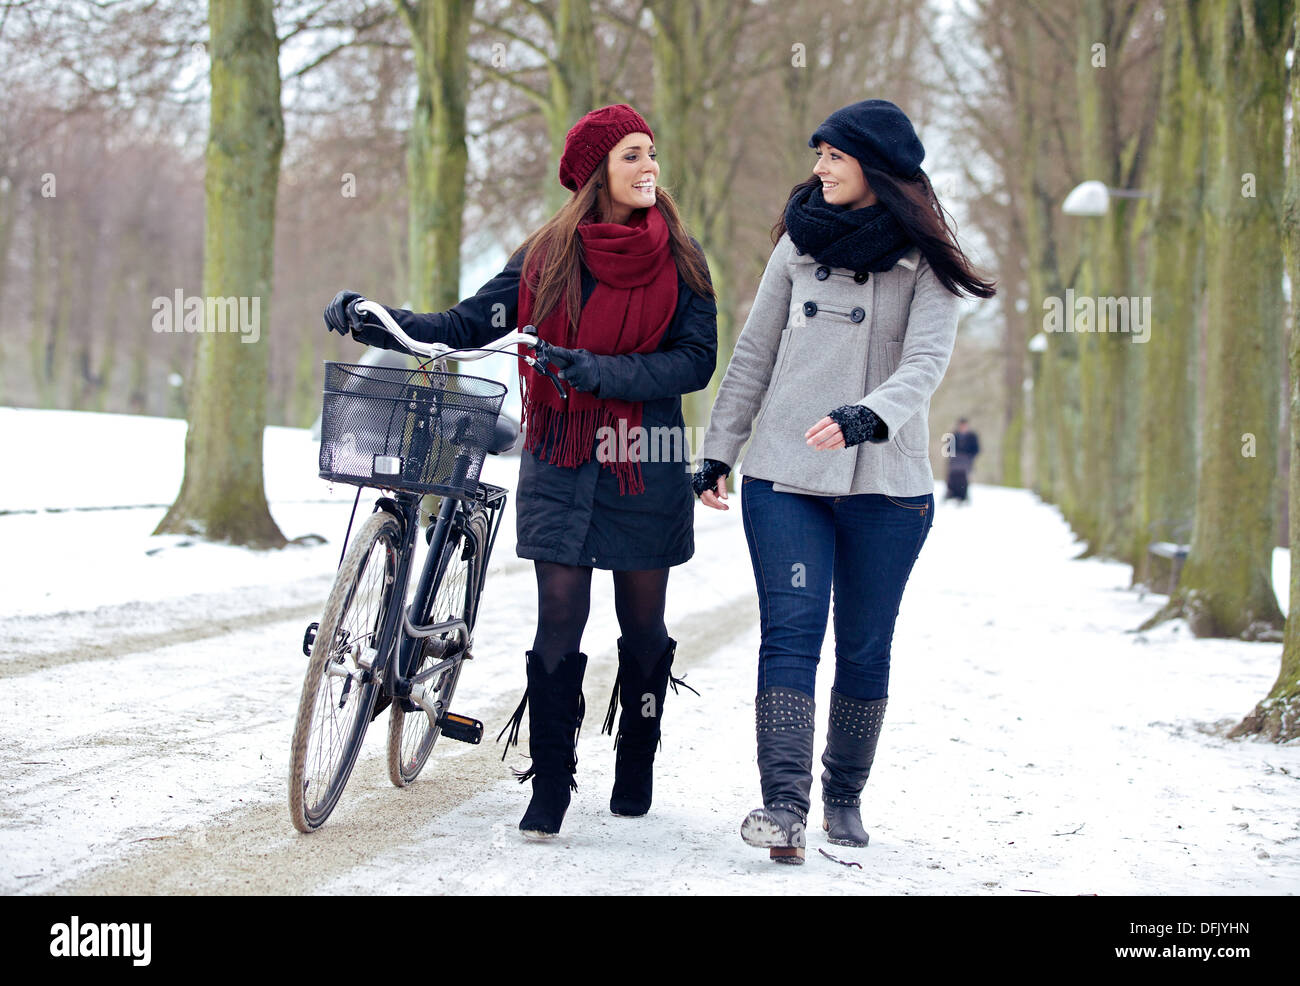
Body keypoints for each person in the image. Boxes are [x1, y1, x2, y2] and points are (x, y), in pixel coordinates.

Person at [324, 104, 717, 840]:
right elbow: (473, 323)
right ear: (596, 169)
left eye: (651, 152)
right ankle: (554, 777)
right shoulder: (548, 255)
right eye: (632, 155)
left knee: (643, 628)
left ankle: (636, 753)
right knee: (559, 623)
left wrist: (597, 370)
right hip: (563, 458)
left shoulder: (682, 258)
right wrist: (382, 320)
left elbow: (696, 361)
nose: (649, 167)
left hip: (642, 459)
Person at [692, 99, 995, 864]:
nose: (819, 168)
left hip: (887, 484)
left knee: (863, 645)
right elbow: (754, 352)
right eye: (818, 154)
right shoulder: (798, 240)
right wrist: (719, 448)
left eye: (833, 155)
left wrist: (868, 415)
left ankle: (844, 795)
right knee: (791, 634)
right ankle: (785, 805)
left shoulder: (928, 260)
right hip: (786, 477)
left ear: (875, 167)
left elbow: (925, 363)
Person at [945, 416, 980, 504]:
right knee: (953, 478)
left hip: (966, 462)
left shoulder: (972, 436)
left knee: (963, 479)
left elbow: (976, 449)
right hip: (954, 462)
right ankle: (952, 494)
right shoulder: (953, 435)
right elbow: (948, 449)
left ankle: (963, 496)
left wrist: (969, 456)